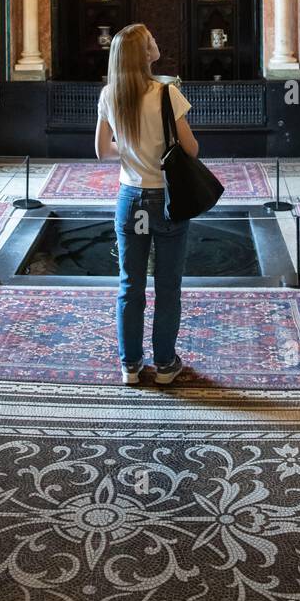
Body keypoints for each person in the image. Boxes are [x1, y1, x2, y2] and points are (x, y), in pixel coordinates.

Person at [95, 23, 199, 386]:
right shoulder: (166, 94)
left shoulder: (110, 95)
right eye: (152, 40)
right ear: (145, 54)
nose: (157, 42)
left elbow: (101, 151)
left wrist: (131, 149)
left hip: (130, 199)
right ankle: (166, 365)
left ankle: (130, 365)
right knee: (168, 286)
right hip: (166, 199)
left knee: (130, 285)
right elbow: (191, 150)